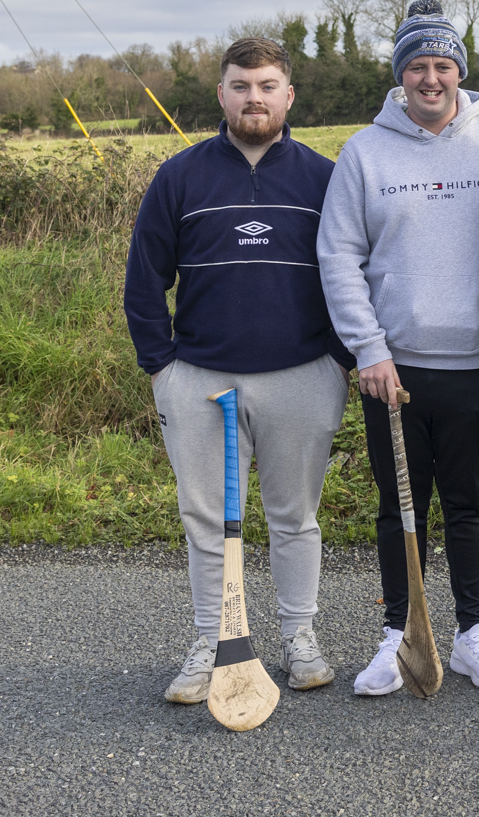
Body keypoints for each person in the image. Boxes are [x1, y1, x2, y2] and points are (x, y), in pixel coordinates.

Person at [125, 37, 353, 704]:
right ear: (221, 93)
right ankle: (214, 642)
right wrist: (162, 369)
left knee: (295, 517)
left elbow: (354, 275)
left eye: (267, 85)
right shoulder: (179, 176)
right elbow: (144, 281)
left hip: (302, 375)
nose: (255, 98)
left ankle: (299, 637)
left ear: (289, 95)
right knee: (206, 520)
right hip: (199, 378)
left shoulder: (325, 178)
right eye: (241, 85)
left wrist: (339, 362)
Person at [317, 0, 479, 695]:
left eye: (442, 64)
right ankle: (397, 634)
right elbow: (339, 256)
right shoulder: (364, 151)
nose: (430, 78)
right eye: (417, 66)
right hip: (393, 369)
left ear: (459, 71)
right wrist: (368, 350)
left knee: (469, 504)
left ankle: (472, 634)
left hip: (475, 361)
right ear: (399, 74)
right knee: (398, 508)